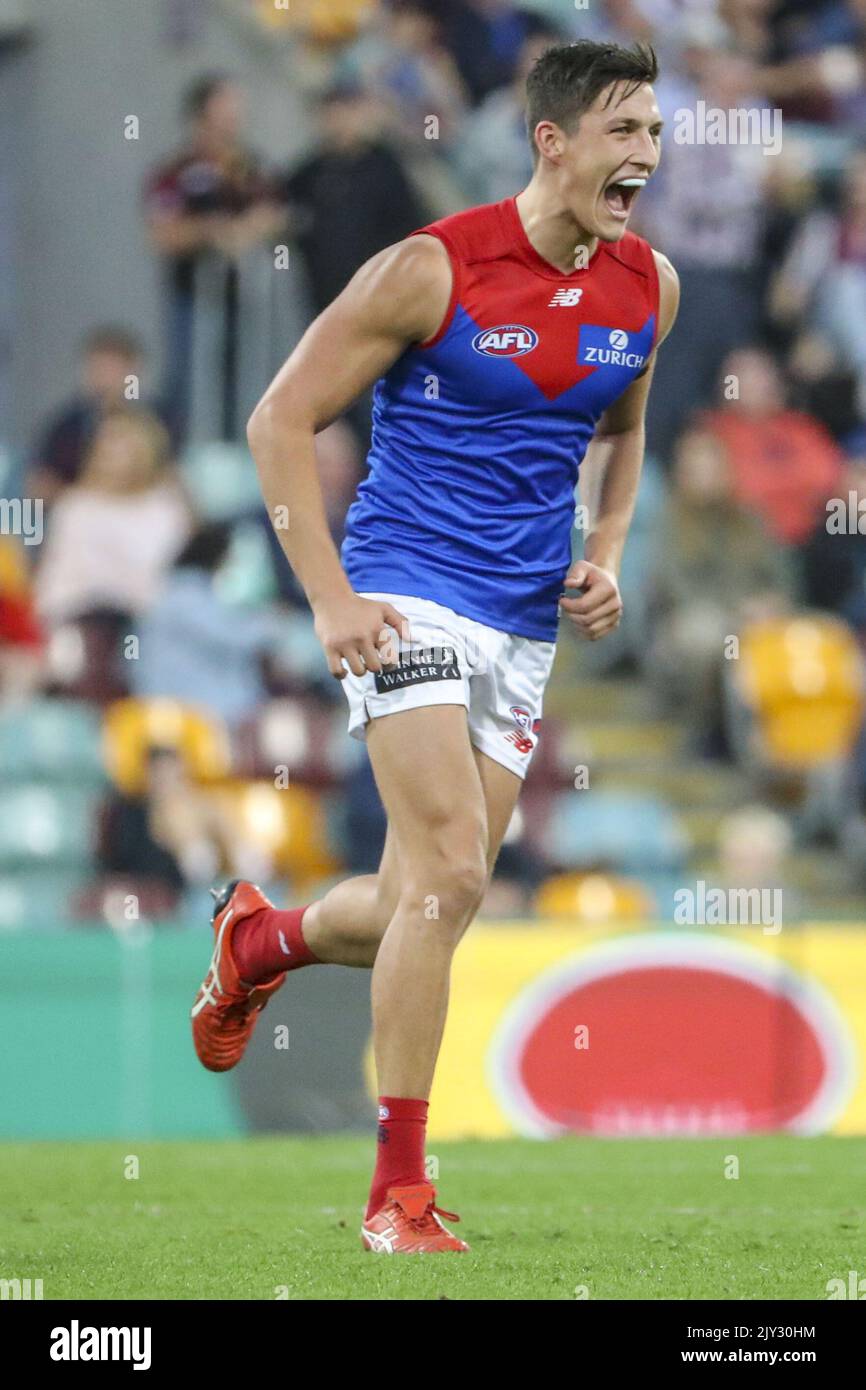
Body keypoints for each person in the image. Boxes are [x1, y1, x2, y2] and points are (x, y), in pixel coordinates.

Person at [193, 40, 678, 1253]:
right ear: (550, 141)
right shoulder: (432, 268)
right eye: (623, 132)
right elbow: (276, 420)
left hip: (520, 621)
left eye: (656, 134)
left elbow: (620, 433)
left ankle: (264, 938)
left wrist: (606, 547)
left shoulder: (646, 286)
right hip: (405, 589)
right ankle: (395, 1194)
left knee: (427, 900)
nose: (647, 157)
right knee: (454, 870)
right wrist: (328, 598)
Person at [144, 73, 286, 441]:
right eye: (225, 109)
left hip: (247, 301)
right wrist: (211, 232)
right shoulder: (176, 171)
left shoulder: (252, 167)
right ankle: (184, 463)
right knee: (189, 384)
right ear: (201, 116)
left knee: (250, 382)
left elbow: (275, 214)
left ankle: (242, 466)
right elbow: (163, 234)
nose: (234, 118)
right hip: (193, 298)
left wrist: (245, 231)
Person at [33, 407, 192, 628]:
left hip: (150, 625)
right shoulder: (74, 506)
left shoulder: (167, 507)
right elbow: (55, 581)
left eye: (121, 442)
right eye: (105, 442)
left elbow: (171, 577)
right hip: (81, 623)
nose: (111, 451)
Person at [25, 326, 165, 507]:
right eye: (97, 368)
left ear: (132, 372)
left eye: (112, 369)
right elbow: (39, 489)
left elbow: (165, 479)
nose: (104, 378)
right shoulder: (66, 426)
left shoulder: (157, 421)